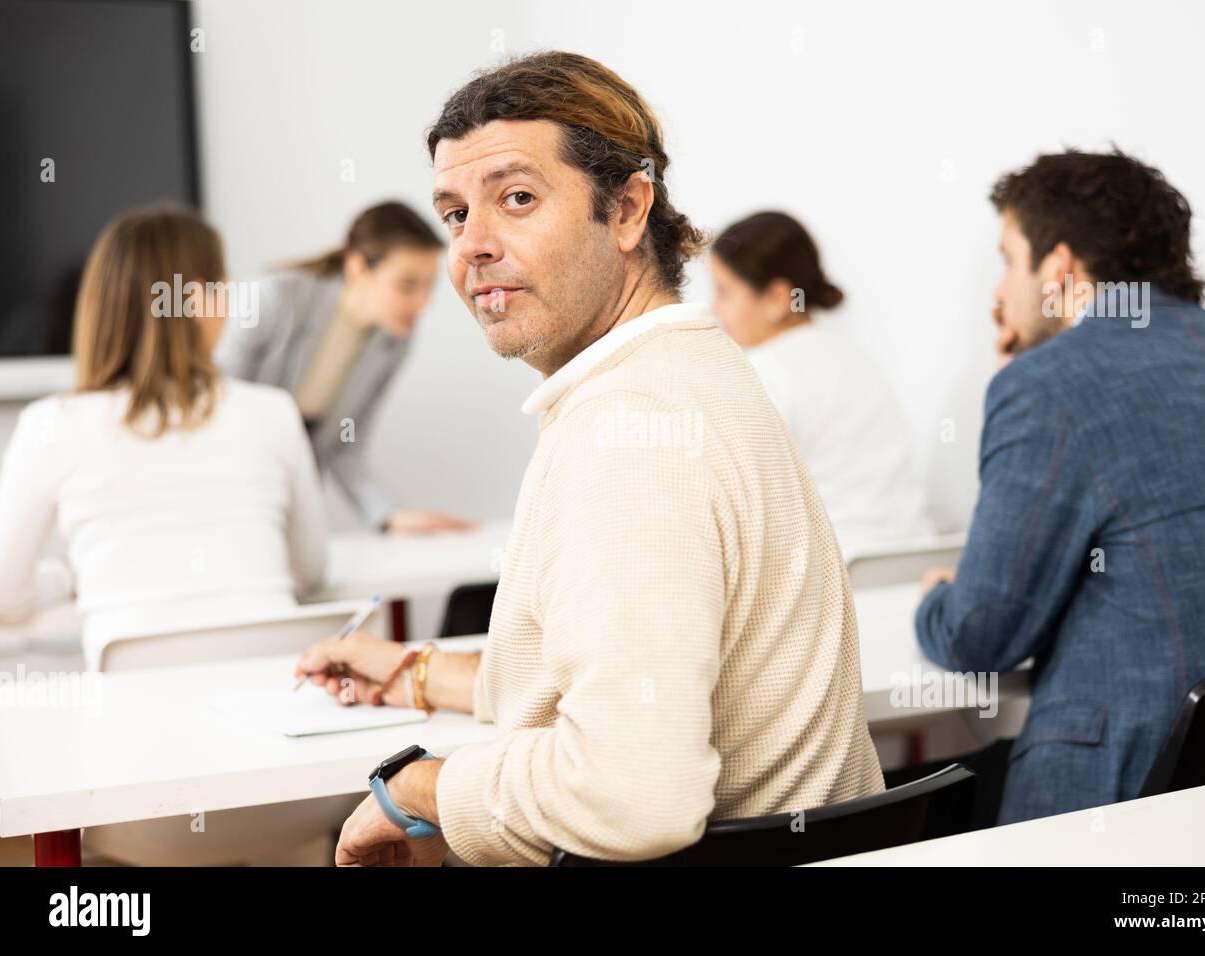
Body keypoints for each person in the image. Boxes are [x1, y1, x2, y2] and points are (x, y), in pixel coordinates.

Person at [296, 51, 885, 867]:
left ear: (628, 209)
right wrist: (414, 671)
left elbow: (632, 793)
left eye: (516, 198)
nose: (472, 246)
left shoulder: (627, 433)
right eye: (455, 214)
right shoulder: (696, 376)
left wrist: (421, 788)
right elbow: (626, 676)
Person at [916, 148, 1205, 824]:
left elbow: (983, 636)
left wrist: (938, 600)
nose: (1000, 292)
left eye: (1009, 260)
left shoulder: (1045, 386)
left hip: (1115, 797)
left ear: (1059, 267)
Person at [0, 206, 328, 669]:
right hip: (277, 695)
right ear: (196, 299)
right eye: (221, 284)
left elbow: (5, 596)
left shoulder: (50, 425)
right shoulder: (273, 411)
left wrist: (61, 580)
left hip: (134, 717)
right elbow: (311, 571)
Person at [214, 201, 474, 533]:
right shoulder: (276, 296)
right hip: (230, 476)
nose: (422, 304)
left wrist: (390, 516)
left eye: (429, 288)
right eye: (408, 285)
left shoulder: (394, 341)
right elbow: (216, 402)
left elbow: (346, 448)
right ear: (357, 268)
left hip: (291, 487)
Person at [710, 211, 930, 557]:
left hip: (837, 579)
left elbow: (734, 501)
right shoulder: (854, 360)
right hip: (905, 568)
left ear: (777, 299)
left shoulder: (765, 372)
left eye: (724, 292)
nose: (715, 308)